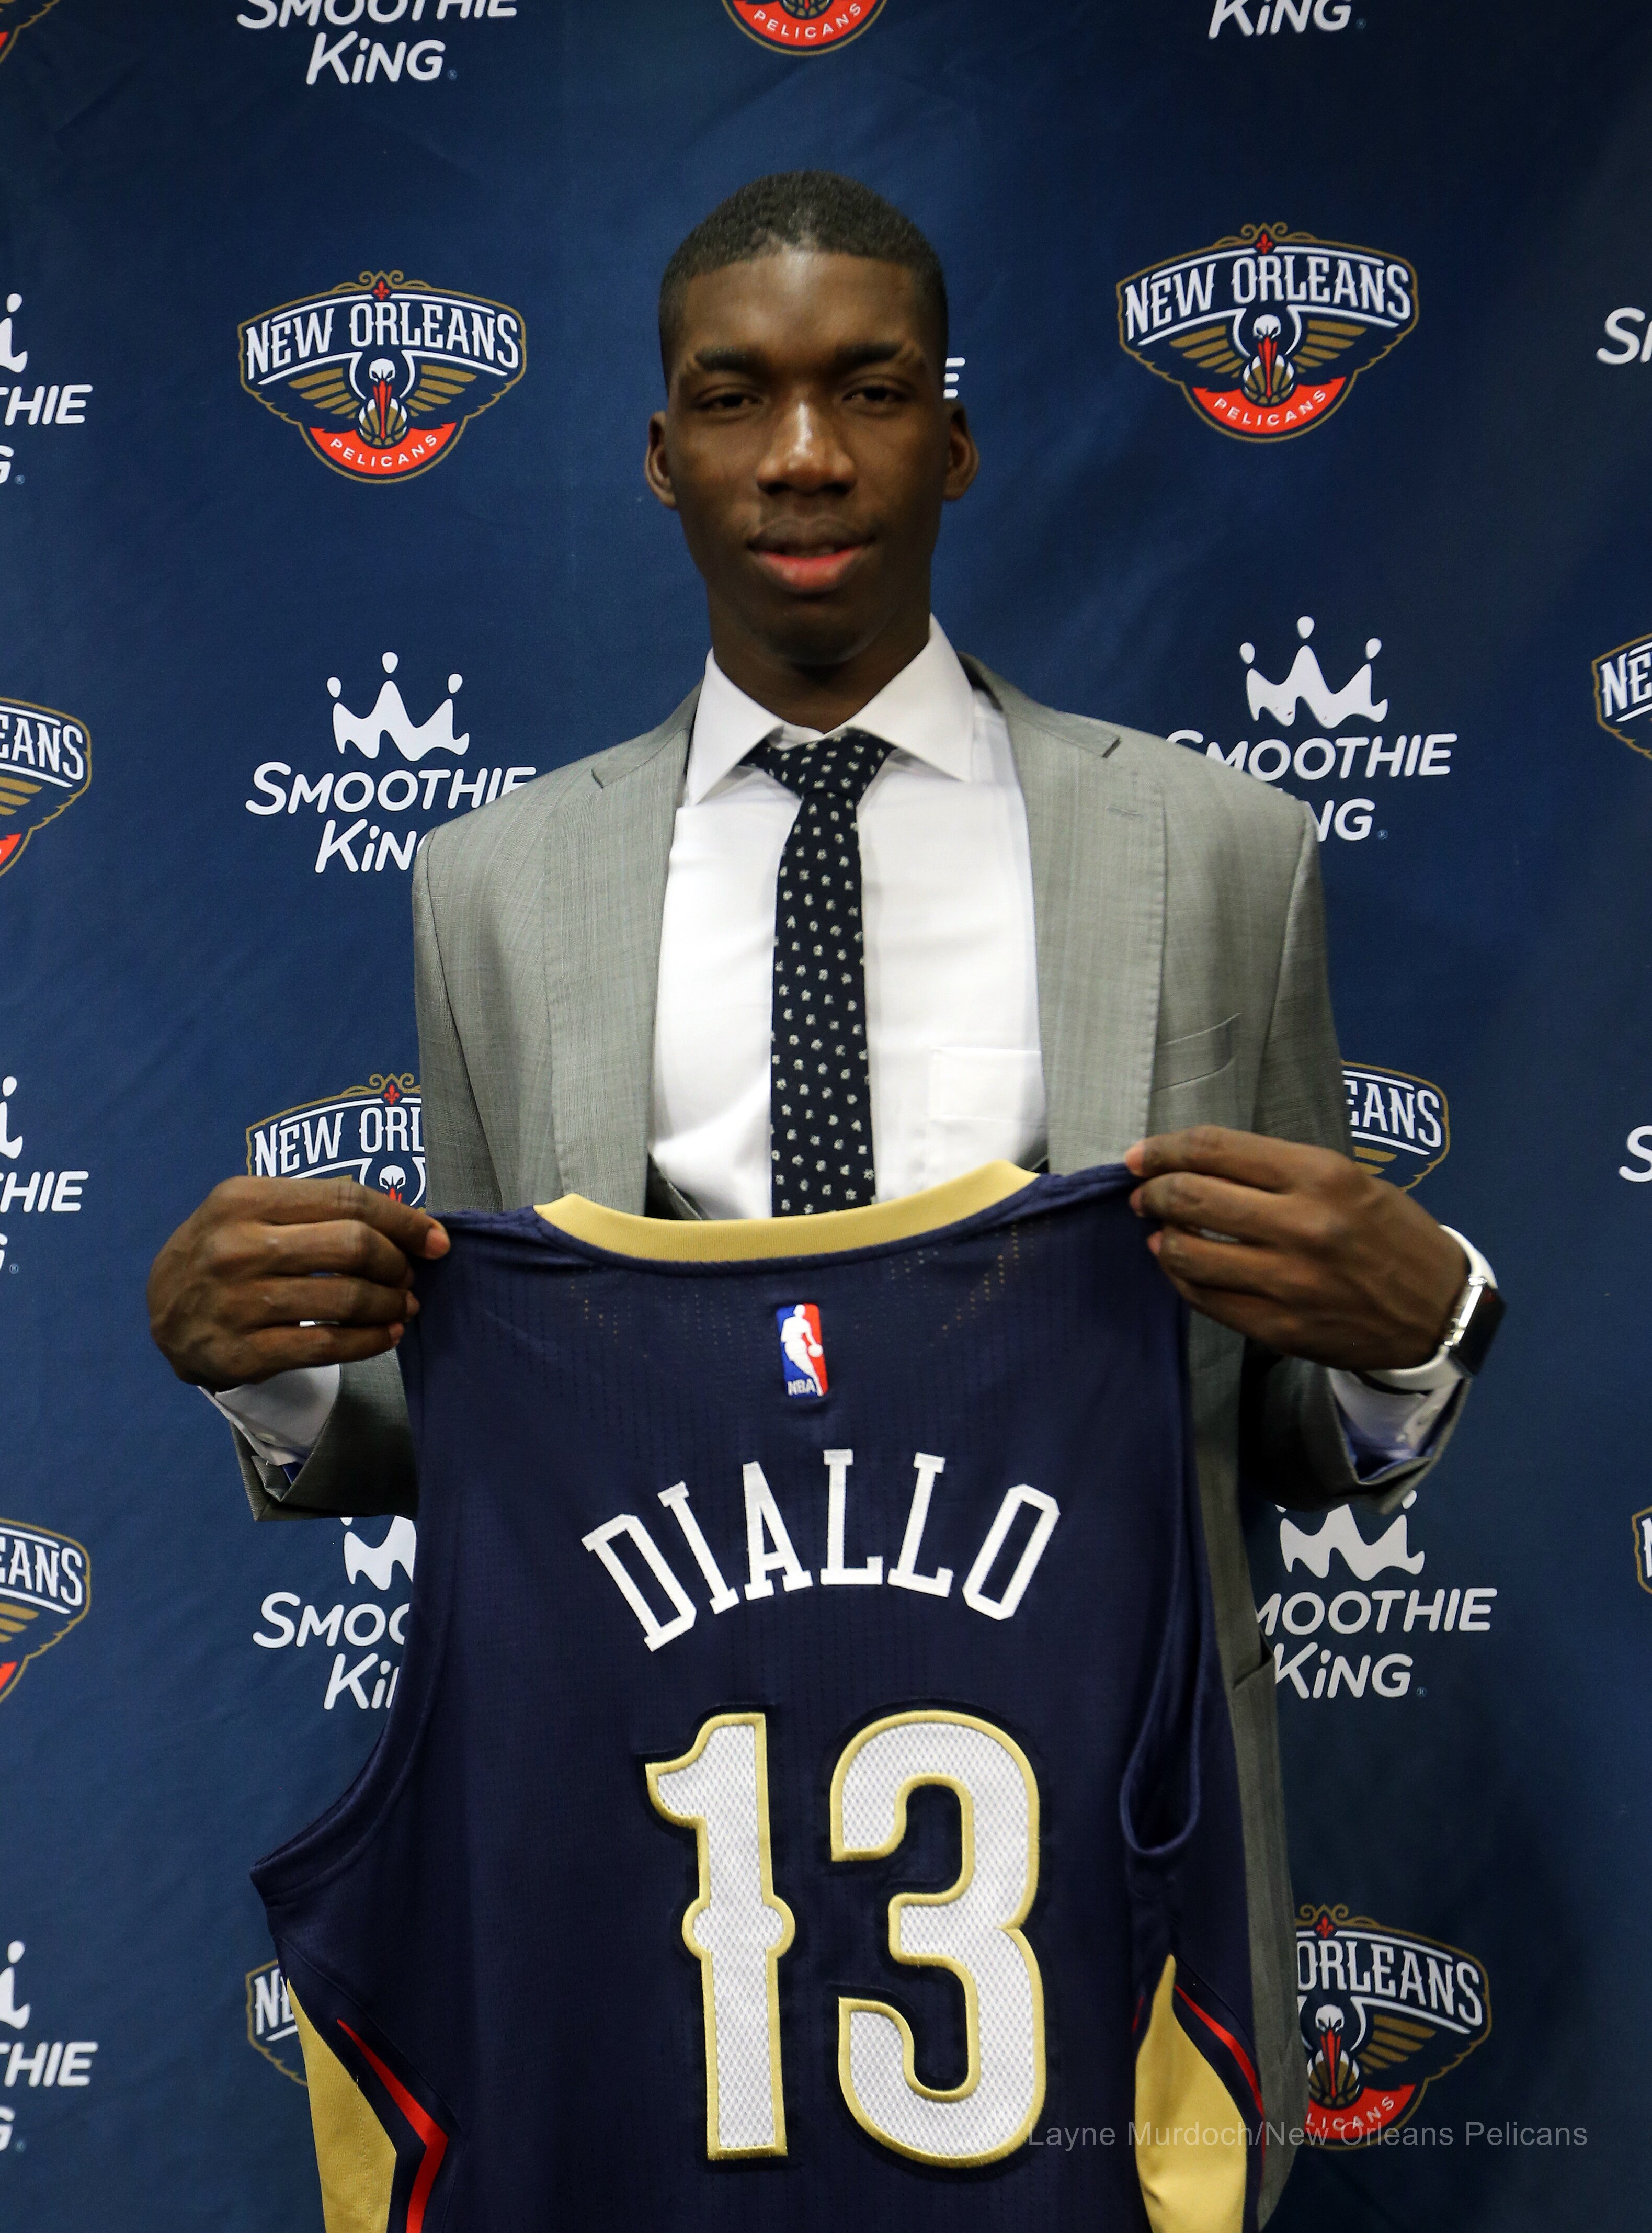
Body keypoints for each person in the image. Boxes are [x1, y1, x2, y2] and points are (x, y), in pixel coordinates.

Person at [147, 173, 1497, 2219]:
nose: (801, 454)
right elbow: (517, 1424)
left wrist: (1416, 1330)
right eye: (736, 396)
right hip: (655, 1836)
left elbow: (1264, 1420)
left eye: (866, 391)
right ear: (659, 450)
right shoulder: (496, 890)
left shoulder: (1217, 852)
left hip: (1092, 1845)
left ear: (950, 439)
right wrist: (279, 1382)